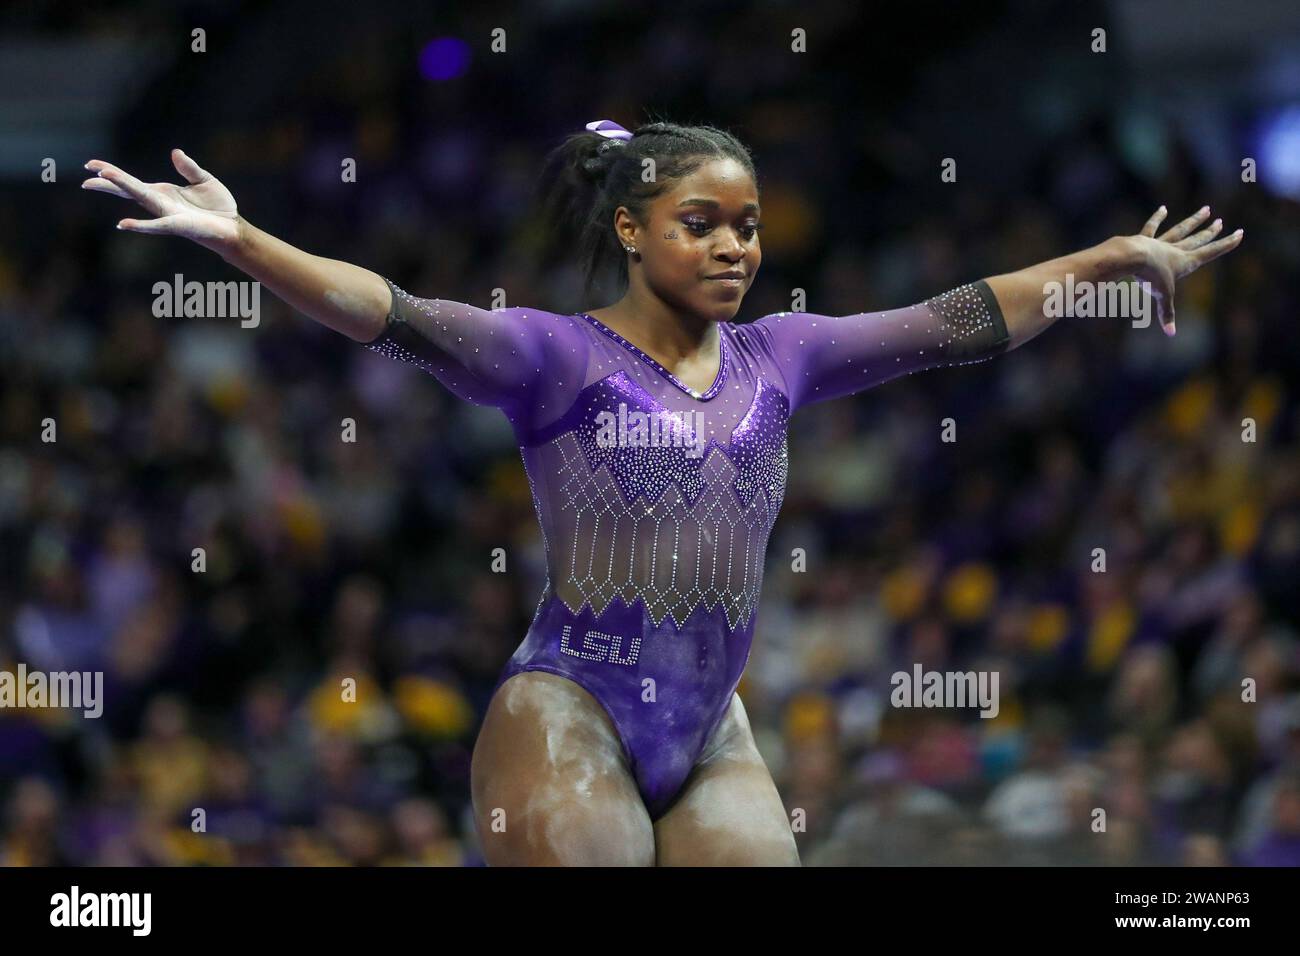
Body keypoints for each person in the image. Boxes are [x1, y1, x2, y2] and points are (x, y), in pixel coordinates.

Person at [83, 118, 1243, 866]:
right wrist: (245, 241)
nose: (735, 247)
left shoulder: (780, 355)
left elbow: (957, 322)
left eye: (745, 225)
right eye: (702, 225)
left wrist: (1103, 259)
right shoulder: (554, 355)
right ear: (632, 230)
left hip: (709, 724)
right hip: (568, 706)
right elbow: (390, 309)